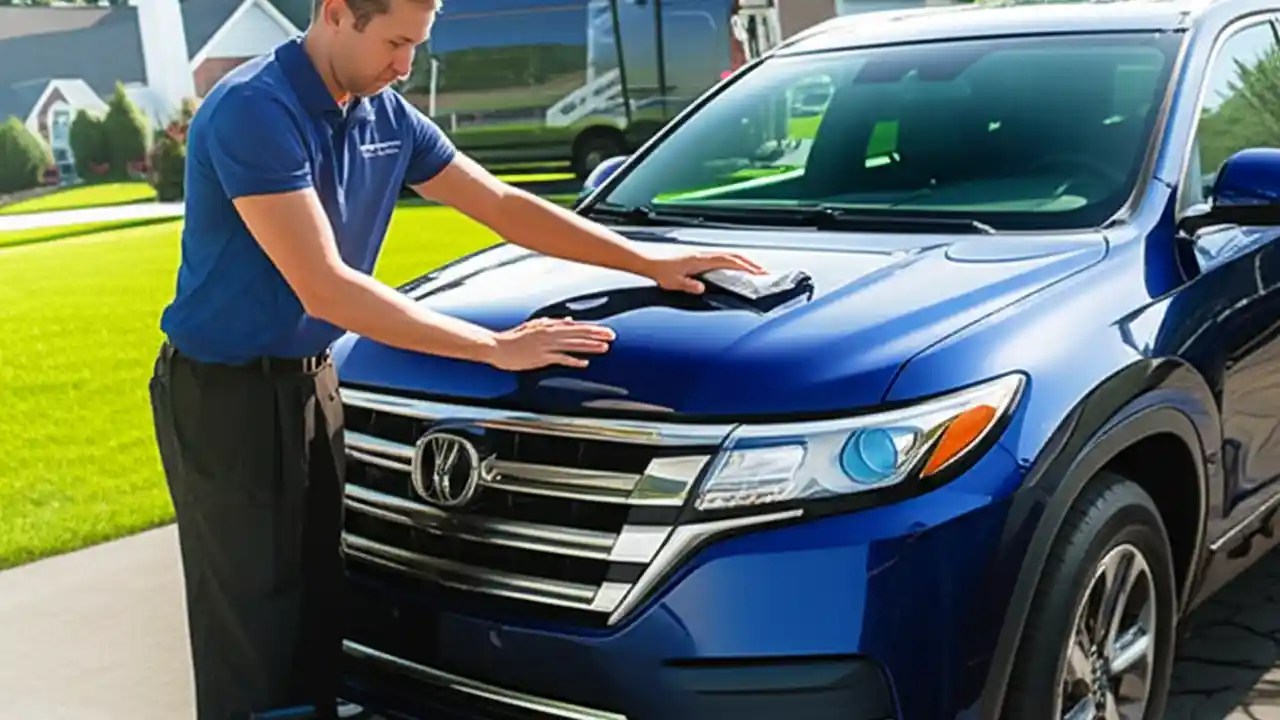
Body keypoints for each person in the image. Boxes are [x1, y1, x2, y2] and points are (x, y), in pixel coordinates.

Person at [146, 0, 764, 717]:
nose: (406, 65)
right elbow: (326, 286)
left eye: (418, 44)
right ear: (336, 13)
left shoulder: (383, 113)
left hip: (313, 383)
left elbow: (502, 204)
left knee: (319, 615)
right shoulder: (254, 110)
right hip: (225, 400)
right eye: (396, 42)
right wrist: (495, 348)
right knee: (252, 635)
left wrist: (647, 262)